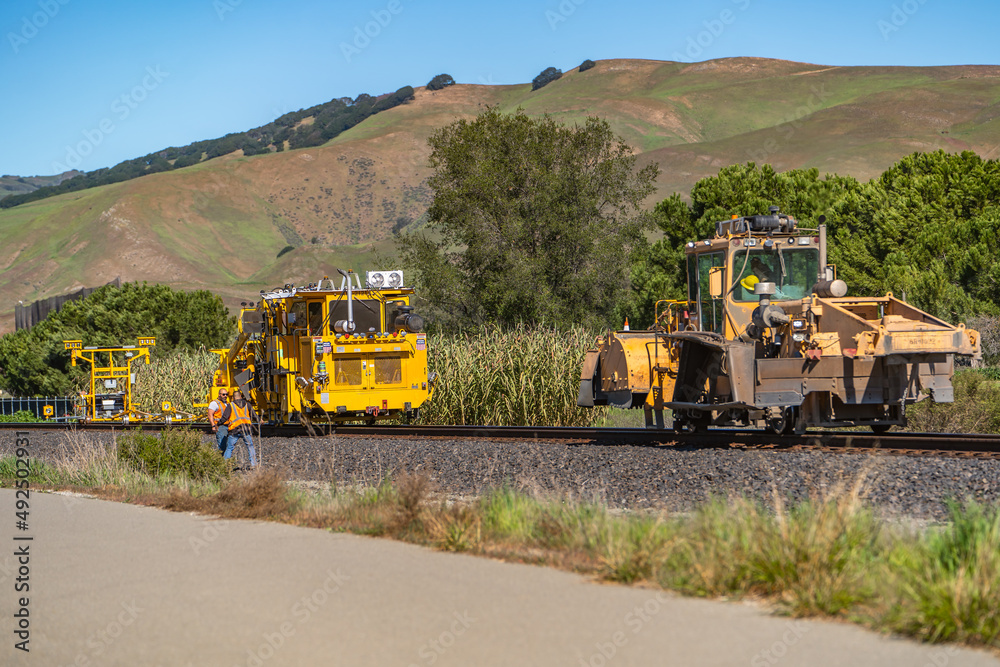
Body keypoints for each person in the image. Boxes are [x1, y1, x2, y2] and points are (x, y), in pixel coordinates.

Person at [221, 389, 258, 469]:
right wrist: (260, 420)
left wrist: (217, 424)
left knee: (230, 447)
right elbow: (254, 414)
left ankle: (224, 465)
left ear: (233, 398)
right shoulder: (247, 404)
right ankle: (254, 464)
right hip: (246, 429)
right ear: (240, 396)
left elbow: (225, 417)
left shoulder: (231, 405)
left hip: (235, 430)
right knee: (250, 446)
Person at [207, 388, 230, 453]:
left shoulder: (227, 403)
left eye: (226, 394)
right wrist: (213, 426)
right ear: (219, 394)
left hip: (228, 426)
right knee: (222, 446)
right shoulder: (214, 403)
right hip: (220, 426)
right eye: (223, 394)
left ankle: (225, 460)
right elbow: (210, 415)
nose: (225, 396)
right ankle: (220, 460)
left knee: (228, 445)